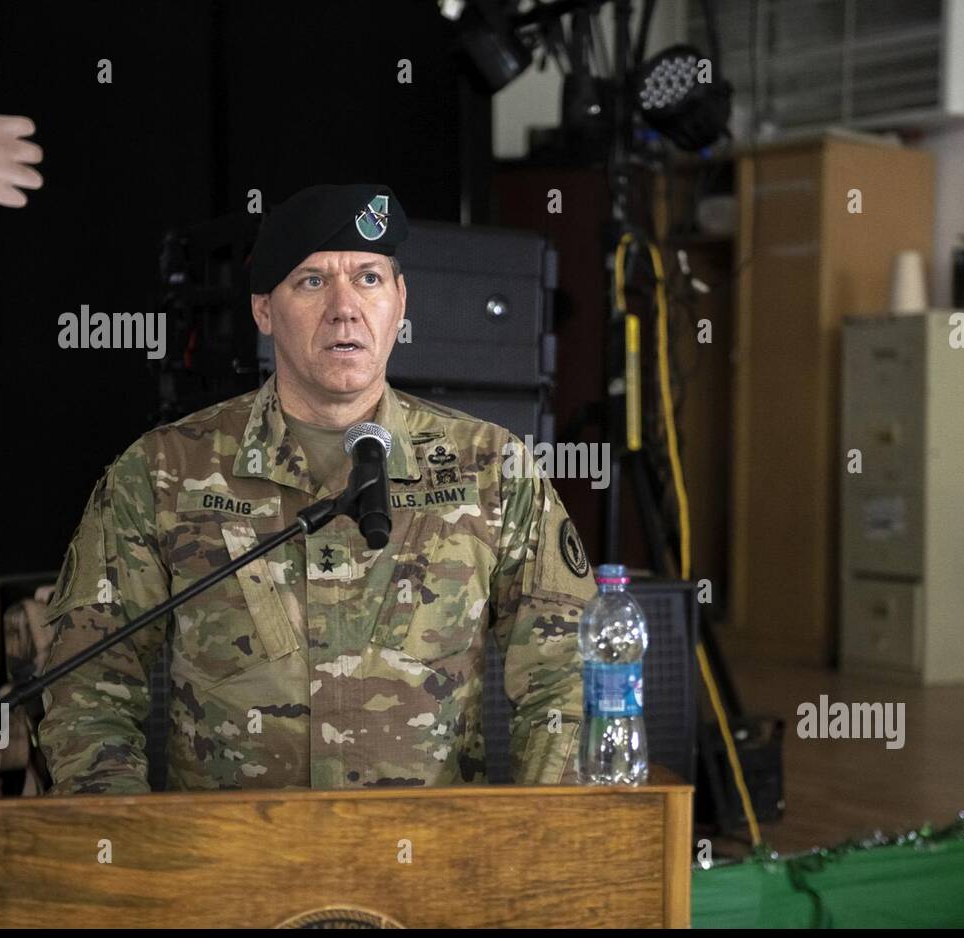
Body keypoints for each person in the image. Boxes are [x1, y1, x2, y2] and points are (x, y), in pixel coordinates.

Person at [36, 183, 595, 794]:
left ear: (400, 301)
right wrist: (134, 856)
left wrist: (542, 841)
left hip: (431, 863)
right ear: (263, 310)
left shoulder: (492, 467)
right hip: (233, 866)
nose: (345, 308)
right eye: (311, 281)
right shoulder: (164, 469)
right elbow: (87, 684)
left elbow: (565, 676)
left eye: (369, 279)